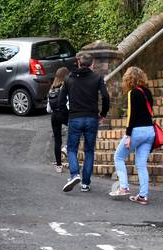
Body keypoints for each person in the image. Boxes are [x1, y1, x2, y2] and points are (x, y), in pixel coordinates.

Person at [61, 53, 111, 192]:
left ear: (78, 63)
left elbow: (60, 102)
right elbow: (106, 97)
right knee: (89, 150)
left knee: (71, 149)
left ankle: (75, 174)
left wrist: (68, 117)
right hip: (91, 118)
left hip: (75, 118)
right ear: (92, 64)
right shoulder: (97, 77)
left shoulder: (69, 79)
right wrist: (103, 114)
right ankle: (85, 183)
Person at [111, 66, 156, 205]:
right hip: (150, 131)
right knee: (141, 165)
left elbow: (132, 116)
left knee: (118, 157)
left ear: (129, 79)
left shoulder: (133, 93)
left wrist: (128, 135)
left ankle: (124, 187)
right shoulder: (147, 92)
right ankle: (143, 196)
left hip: (137, 130)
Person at [46, 66, 70, 172]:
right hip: (65, 114)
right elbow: (69, 104)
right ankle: (67, 148)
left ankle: (59, 166)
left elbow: (48, 109)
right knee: (75, 130)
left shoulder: (52, 89)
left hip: (54, 115)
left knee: (57, 140)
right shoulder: (66, 86)